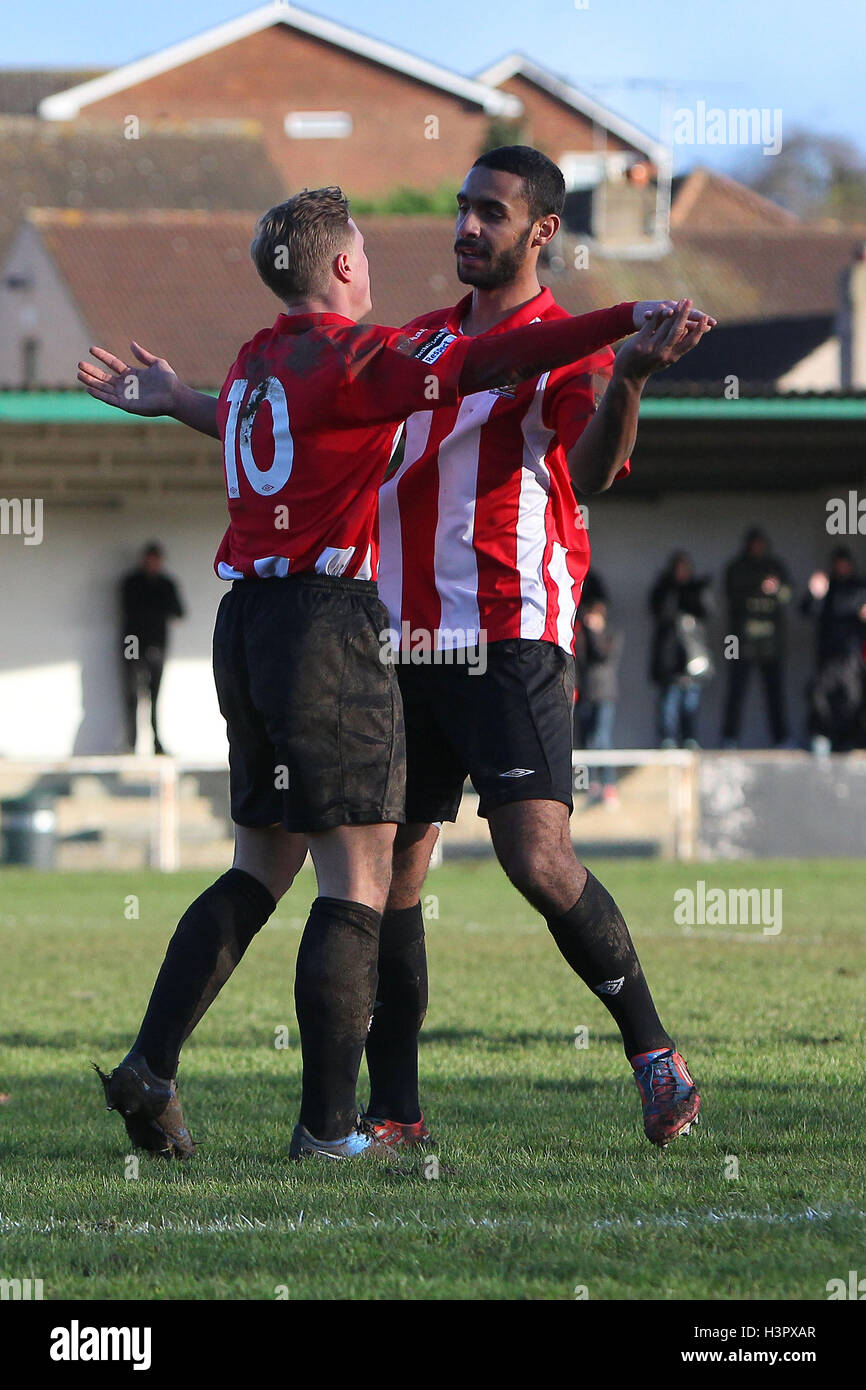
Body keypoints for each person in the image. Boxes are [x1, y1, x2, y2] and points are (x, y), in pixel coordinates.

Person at [80, 183, 689, 1160]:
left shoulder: (255, 359)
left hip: (251, 623)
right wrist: (623, 320)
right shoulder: (367, 355)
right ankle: (331, 1129)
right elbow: (492, 361)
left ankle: (153, 1064)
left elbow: (276, 425)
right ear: (344, 267)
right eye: (365, 247)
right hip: (335, 629)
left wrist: (174, 400)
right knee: (359, 878)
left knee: (261, 864)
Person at [721, 527, 792, 748]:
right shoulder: (736, 568)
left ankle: (781, 738)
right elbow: (731, 595)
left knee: (775, 693)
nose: (757, 548)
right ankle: (729, 738)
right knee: (736, 691)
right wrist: (758, 586)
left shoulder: (775, 567)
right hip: (738, 642)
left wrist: (775, 588)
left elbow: (788, 594)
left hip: (770, 642)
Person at [119, 542, 185, 755]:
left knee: (154, 695)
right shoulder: (131, 582)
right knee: (132, 693)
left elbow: (178, 612)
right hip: (133, 644)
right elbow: (129, 609)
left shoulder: (166, 584)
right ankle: (132, 743)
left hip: (156, 645)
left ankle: (156, 743)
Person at [800, 547, 866, 753]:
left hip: (851, 656)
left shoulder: (859, 587)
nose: (842, 567)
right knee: (821, 699)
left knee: (852, 698)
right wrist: (814, 594)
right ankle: (822, 738)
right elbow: (806, 610)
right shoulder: (827, 588)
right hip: (827, 655)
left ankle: (849, 741)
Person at [649, 551, 714, 749]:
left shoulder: (695, 590)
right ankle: (667, 740)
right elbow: (657, 610)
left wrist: (699, 590)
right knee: (669, 703)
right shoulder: (664, 591)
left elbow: (708, 610)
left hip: (693, 658)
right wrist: (671, 590)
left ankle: (689, 739)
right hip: (669, 659)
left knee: (690, 704)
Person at [574, 598, 622, 807]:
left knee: (601, 738)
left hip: (604, 694)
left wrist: (593, 633)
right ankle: (590, 783)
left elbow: (602, 655)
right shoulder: (582, 637)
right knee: (586, 740)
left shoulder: (610, 635)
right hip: (586, 693)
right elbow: (580, 659)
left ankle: (608, 783)